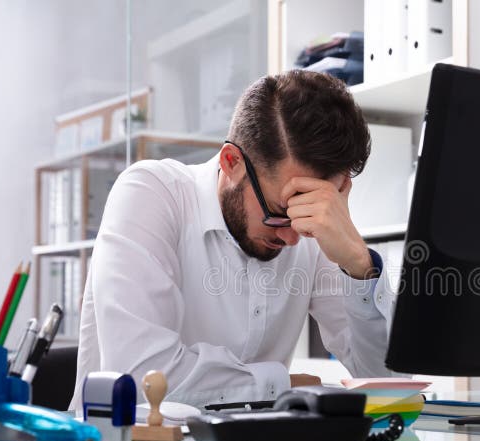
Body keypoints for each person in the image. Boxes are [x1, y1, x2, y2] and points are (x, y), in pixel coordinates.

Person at [69, 71, 395, 410]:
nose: (293, 237)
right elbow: (140, 378)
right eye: (278, 211)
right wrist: (278, 385)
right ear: (231, 162)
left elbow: (390, 385)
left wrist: (359, 265)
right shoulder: (150, 194)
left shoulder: (307, 227)